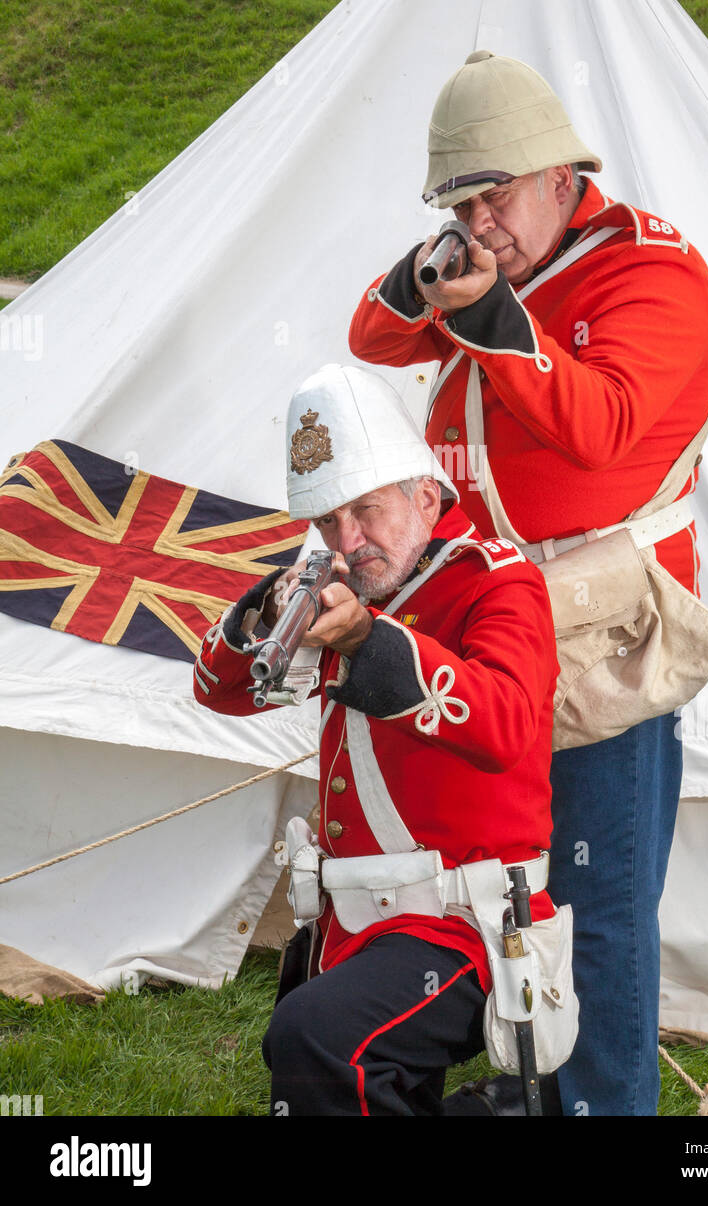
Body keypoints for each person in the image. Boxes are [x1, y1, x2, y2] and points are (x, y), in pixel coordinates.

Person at [348, 50, 708, 1116]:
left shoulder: (653, 272)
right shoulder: (491, 260)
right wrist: (433, 268)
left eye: (494, 195)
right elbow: (369, 332)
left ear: (561, 176)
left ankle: (606, 1105)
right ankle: (547, 1093)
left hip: (599, 634)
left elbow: (601, 430)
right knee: (508, 887)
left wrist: (485, 317)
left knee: (599, 908)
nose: (480, 222)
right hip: (496, 625)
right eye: (458, 203)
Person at [193, 362, 566, 1116]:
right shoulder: (344, 588)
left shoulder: (497, 581)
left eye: (366, 511)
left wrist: (371, 640)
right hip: (355, 921)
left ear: (425, 493)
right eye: (329, 521)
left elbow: (503, 723)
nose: (348, 539)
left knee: (319, 1038)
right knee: (316, 1057)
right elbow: (218, 693)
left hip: (464, 922)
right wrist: (268, 615)